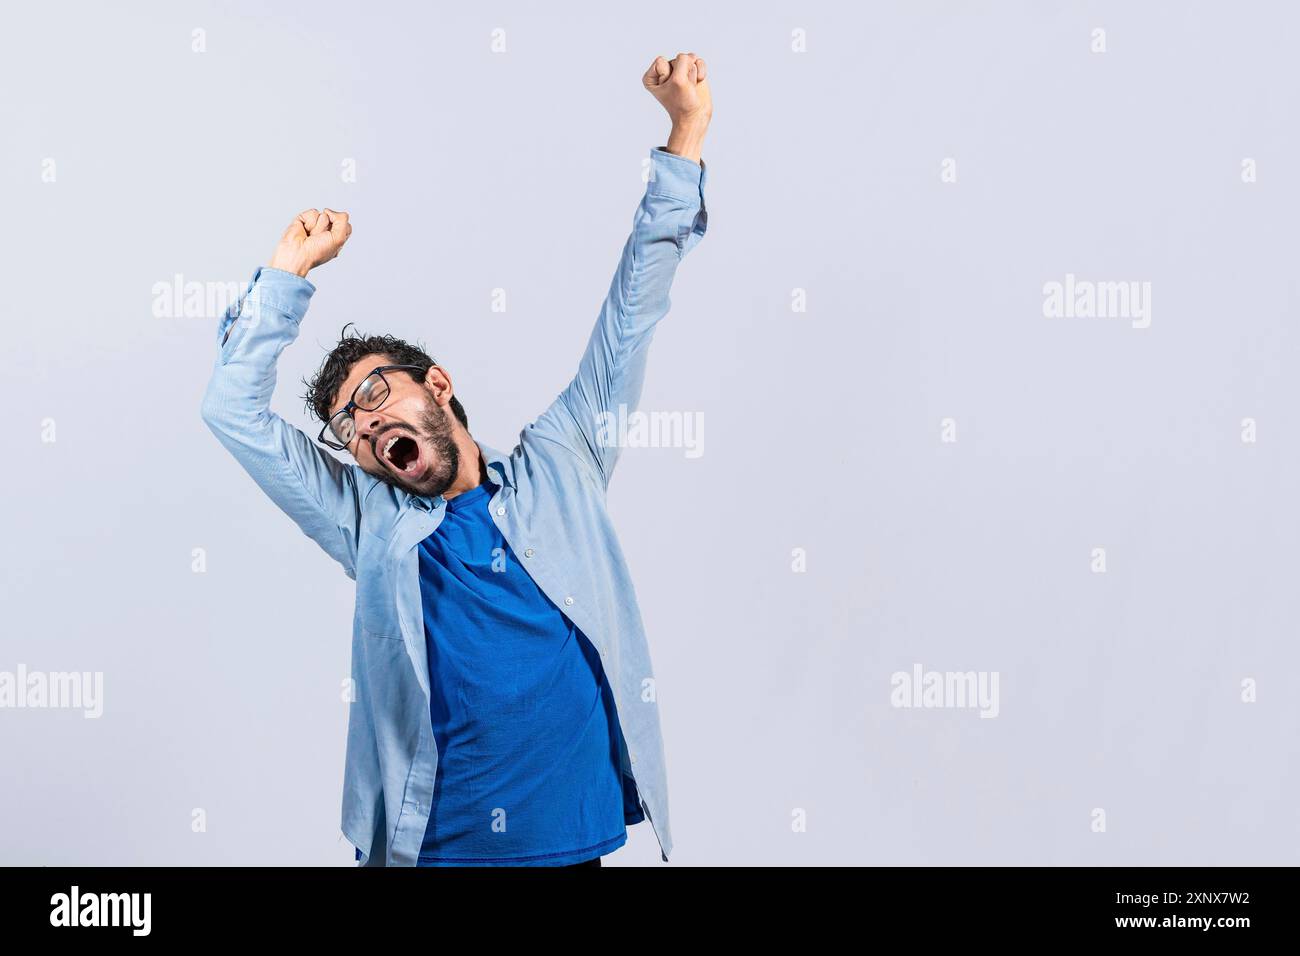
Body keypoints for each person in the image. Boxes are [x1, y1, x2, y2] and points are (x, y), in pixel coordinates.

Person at [200, 53, 711, 866]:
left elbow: (632, 309)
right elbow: (232, 411)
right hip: (441, 854)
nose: (362, 431)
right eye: (347, 430)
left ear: (437, 386)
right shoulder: (366, 521)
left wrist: (685, 134)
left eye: (373, 398)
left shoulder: (563, 461)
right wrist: (285, 278)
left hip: (577, 846)